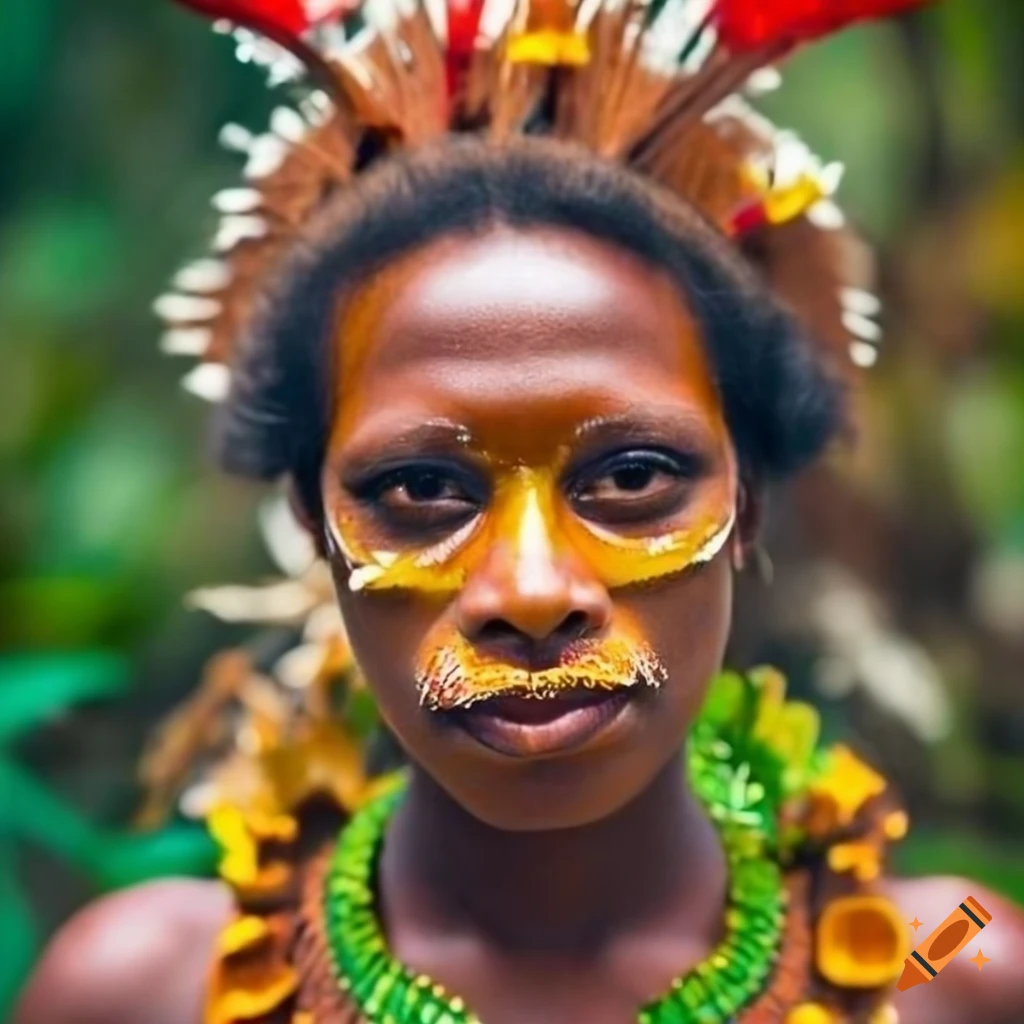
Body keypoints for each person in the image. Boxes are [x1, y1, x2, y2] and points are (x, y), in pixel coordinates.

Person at [14, 0, 1024, 1022]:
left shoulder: (943, 963)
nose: (532, 592)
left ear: (748, 501)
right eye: (420, 492)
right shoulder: (145, 987)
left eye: (631, 477)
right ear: (314, 521)